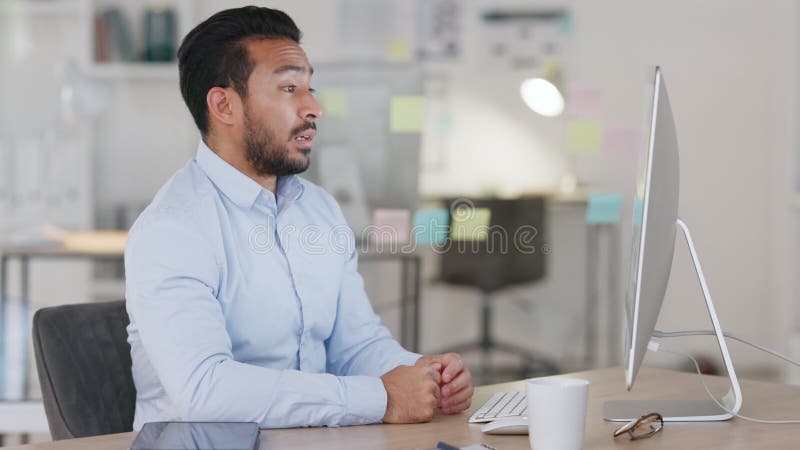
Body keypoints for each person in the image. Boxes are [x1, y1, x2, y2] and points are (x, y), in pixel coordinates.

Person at [124, 6, 473, 430]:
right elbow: (204, 389)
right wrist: (380, 397)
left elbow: (355, 345)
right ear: (224, 105)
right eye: (289, 88)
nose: (313, 107)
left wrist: (424, 374)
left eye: (309, 87)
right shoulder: (173, 229)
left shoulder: (319, 210)